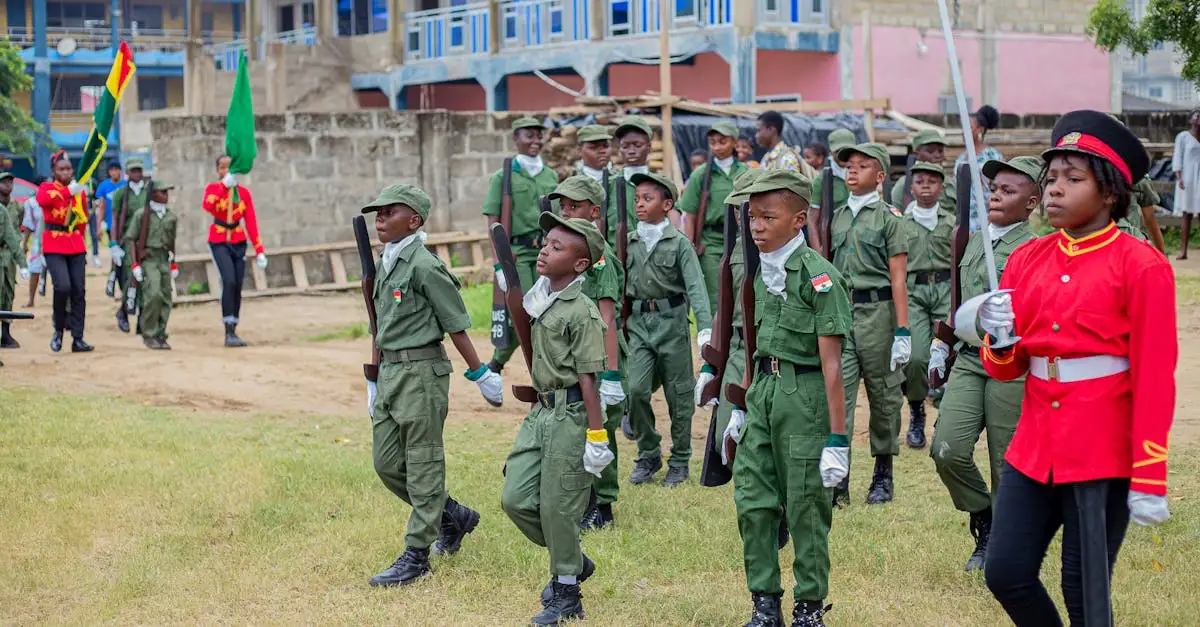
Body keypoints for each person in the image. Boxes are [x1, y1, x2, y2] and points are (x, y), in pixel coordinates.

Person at [977, 111, 1175, 625]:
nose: (1054, 190)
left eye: (1073, 178)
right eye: (1051, 179)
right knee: (1005, 571)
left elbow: (1155, 376)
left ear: (1109, 193)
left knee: (1085, 591)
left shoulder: (1141, 264)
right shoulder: (1027, 259)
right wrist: (996, 336)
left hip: (1102, 447)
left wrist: (1150, 474)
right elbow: (1007, 369)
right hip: (1035, 443)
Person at [725, 169, 850, 627]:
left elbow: (833, 364)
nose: (756, 226)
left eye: (767, 217)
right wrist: (740, 404)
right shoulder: (760, 274)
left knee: (805, 507)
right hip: (764, 390)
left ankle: (809, 607)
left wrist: (838, 438)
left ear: (799, 219)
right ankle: (764, 603)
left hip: (806, 395)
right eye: (752, 217)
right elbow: (753, 345)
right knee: (753, 500)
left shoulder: (820, 279)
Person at [361, 184, 499, 587]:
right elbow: (378, 325)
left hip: (422, 373)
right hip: (390, 373)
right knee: (387, 464)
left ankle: (417, 555)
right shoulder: (385, 263)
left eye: (389, 212)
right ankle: (451, 516)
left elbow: (455, 324)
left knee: (422, 465)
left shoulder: (424, 265)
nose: (380, 219)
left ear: (415, 221)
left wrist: (481, 374)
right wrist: (372, 377)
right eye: (377, 213)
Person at [928, 155, 1041, 572]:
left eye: (1008, 190)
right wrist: (941, 344)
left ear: (1032, 203)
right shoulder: (975, 240)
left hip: (1011, 363)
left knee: (1005, 459)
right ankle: (984, 515)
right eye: (993, 189)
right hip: (971, 360)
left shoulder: (1034, 249)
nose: (995, 195)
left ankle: (1005, 544)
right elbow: (955, 298)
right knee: (947, 449)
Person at [500, 214, 612, 625]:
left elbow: (588, 379)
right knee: (514, 498)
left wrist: (597, 437)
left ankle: (567, 592)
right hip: (540, 412)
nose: (545, 250)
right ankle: (575, 560)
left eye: (557, 247)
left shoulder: (580, 311)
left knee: (559, 507)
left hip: (571, 416)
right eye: (545, 243)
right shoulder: (539, 296)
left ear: (580, 265)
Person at [829, 142, 910, 506]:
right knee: (838, 396)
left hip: (878, 315)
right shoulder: (836, 216)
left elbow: (898, 279)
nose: (852, 171)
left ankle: (883, 473)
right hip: (843, 315)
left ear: (879, 177)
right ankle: (839, 478)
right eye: (848, 165)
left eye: (862, 166)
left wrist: (903, 331)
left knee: (883, 398)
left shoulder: (890, 218)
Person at [626, 172, 713, 487]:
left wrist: (705, 329)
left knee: (680, 396)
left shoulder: (679, 243)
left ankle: (679, 460)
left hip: (672, 324)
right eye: (636, 199)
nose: (639, 204)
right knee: (634, 390)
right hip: (637, 325)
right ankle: (648, 452)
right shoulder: (629, 240)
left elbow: (697, 289)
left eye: (647, 199)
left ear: (667, 205)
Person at [549, 175, 626, 530]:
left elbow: (606, 318)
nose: (566, 211)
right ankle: (584, 497)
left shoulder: (600, 259)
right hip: (572, 352)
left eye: (574, 206)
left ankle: (604, 504)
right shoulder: (564, 249)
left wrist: (610, 375)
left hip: (599, 354)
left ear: (594, 211)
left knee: (602, 427)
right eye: (562, 206)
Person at [483, 116, 559, 378]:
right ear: (516, 138)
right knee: (528, 311)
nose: (535, 141)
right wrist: (498, 265)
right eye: (528, 135)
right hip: (518, 254)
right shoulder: (502, 176)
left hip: (548, 251)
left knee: (550, 311)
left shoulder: (550, 175)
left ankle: (496, 364)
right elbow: (493, 223)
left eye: (539, 136)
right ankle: (536, 373)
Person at [899, 162, 954, 449]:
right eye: (920, 181)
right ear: (912, 188)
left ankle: (948, 412)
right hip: (915, 291)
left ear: (941, 188)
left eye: (932, 182)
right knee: (917, 356)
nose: (926, 186)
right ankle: (917, 410)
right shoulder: (901, 223)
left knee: (952, 354)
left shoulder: (952, 221)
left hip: (946, 289)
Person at [680, 121, 749, 313]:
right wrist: (692, 246)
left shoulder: (746, 173)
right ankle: (714, 339)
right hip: (710, 242)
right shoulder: (701, 174)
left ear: (735, 142)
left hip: (739, 240)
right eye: (712, 142)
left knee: (741, 291)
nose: (717, 147)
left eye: (722, 141)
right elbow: (690, 215)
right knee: (714, 295)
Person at [203, 155, 268, 347]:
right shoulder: (213, 189)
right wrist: (224, 186)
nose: (226, 171)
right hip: (219, 240)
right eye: (223, 168)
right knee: (228, 280)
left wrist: (260, 250)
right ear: (218, 170)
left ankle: (234, 326)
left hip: (238, 240)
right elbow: (208, 206)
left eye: (230, 168)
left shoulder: (244, 194)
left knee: (238, 283)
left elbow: (251, 222)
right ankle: (227, 329)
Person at [36, 151, 93, 353]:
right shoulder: (47, 188)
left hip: (75, 244)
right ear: (54, 171)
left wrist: (82, 240)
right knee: (63, 287)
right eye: (61, 169)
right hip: (53, 243)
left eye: (69, 169)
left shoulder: (79, 192)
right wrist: (70, 191)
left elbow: (83, 218)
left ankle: (78, 337)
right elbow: (44, 200)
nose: (66, 172)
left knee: (79, 290)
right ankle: (58, 330)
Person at [123, 180, 178, 350]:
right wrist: (135, 265)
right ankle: (149, 332)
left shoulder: (171, 216)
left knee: (166, 297)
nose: (166, 196)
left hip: (163, 259)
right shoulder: (142, 214)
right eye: (162, 192)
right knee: (153, 295)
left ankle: (161, 332)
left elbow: (172, 241)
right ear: (153, 194)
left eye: (166, 192)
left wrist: (174, 262)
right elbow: (131, 239)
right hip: (149, 259)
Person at [108, 158, 149, 333]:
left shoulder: (149, 191)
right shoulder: (120, 194)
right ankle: (124, 311)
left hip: (146, 240)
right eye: (133, 171)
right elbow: (115, 219)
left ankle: (142, 319)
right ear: (128, 173)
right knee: (131, 278)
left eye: (139, 170)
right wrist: (114, 244)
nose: (137, 174)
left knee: (146, 280)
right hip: (128, 241)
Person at [953, 105, 1003, 233]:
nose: (964, 131)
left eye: (969, 127)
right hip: (965, 223)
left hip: (988, 221)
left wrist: (991, 220)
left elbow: (1001, 189)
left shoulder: (991, 156)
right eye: (962, 127)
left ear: (980, 130)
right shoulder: (961, 160)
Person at [889, 128, 956, 210]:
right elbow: (896, 216)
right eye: (930, 151)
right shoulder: (904, 185)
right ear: (917, 154)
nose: (937, 155)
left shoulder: (950, 183)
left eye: (940, 151)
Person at [0, 173, 29, 348]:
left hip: (9, 253)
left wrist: (22, 261)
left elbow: (14, 234)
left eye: (10, 181)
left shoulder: (16, 207)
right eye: (4, 182)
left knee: (8, 291)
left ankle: (5, 332)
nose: (8, 185)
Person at [810, 129, 855, 234]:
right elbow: (812, 222)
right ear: (830, 152)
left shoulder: (862, 174)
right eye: (838, 151)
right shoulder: (821, 181)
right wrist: (818, 250)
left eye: (847, 150)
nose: (843, 154)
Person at [1172, 110, 1200, 259]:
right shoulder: (1183, 137)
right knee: (1186, 213)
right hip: (1187, 178)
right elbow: (1178, 156)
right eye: (1197, 116)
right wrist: (1179, 176)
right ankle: (1183, 250)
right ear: (1191, 120)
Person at [21, 176, 46, 308]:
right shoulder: (30, 203)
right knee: (35, 270)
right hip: (38, 241)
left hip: (54, 238)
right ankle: (31, 299)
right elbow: (28, 225)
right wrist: (25, 244)